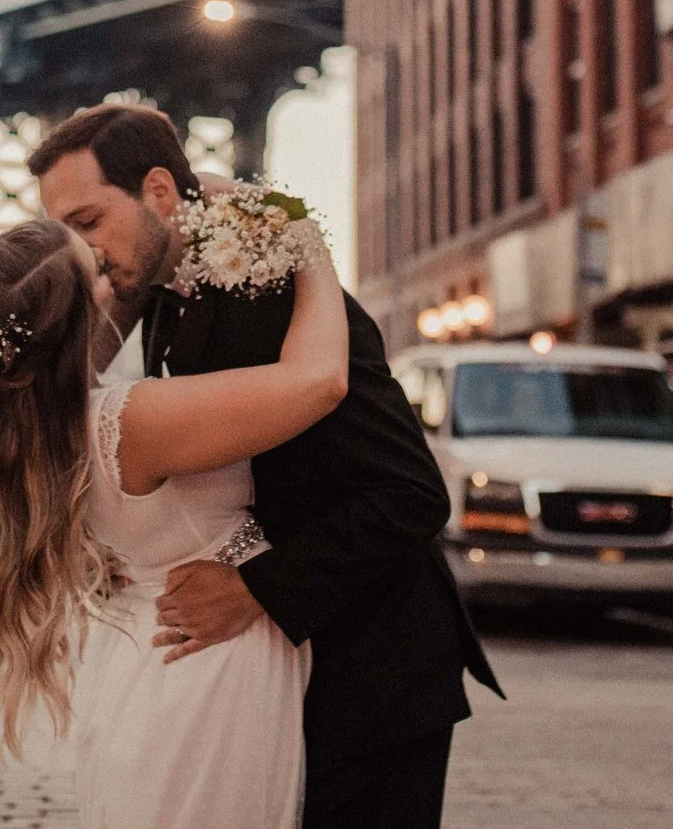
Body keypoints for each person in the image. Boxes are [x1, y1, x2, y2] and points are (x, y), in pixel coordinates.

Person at [29, 104, 498, 829]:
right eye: (66, 231)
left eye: (89, 220)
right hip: (277, 679)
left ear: (158, 192)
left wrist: (254, 588)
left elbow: (410, 492)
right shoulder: (158, 292)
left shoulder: (274, 292)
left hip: (370, 671)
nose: (81, 249)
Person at [0, 208, 349, 829]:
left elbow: (75, 345)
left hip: (144, 663)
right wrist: (305, 237)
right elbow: (320, 381)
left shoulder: (34, 425)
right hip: (201, 673)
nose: (115, 278)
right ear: (83, 316)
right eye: (98, 273)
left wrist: (83, 282)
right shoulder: (130, 422)